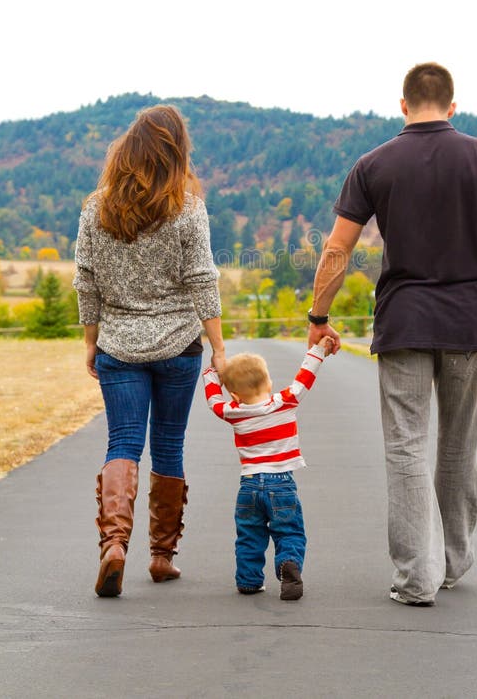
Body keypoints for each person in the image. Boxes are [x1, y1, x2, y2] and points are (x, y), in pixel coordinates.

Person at [307, 62, 477, 606]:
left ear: (403, 105)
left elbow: (336, 249)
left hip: (403, 322)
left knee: (406, 448)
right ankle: (453, 561)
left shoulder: (373, 164)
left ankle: (417, 576)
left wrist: (318, 317)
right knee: (459, 447)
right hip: (468, 322)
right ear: (451, 105)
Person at [73, 105, 226, 598]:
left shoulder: (96, 207)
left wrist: (92, 341)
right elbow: (202, 276)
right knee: (169, 445)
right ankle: (161, 557)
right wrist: (218, 346)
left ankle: (113, 545)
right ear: (177, 151)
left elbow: (86, 282)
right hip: (179, 345)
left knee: (122, 443)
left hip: (119, 344)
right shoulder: (188, 206)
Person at [203, 336, 333, 600]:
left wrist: (211, 372)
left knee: (249, 535)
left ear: (236, 394)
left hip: (249, 485)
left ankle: (249, 580)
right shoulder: (284, 402)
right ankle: (289, 564)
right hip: (282, 482)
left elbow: (213, 399)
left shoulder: (232, 411)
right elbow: (305, 376)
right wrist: (319, 350)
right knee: (289, 530)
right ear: (268, 382)